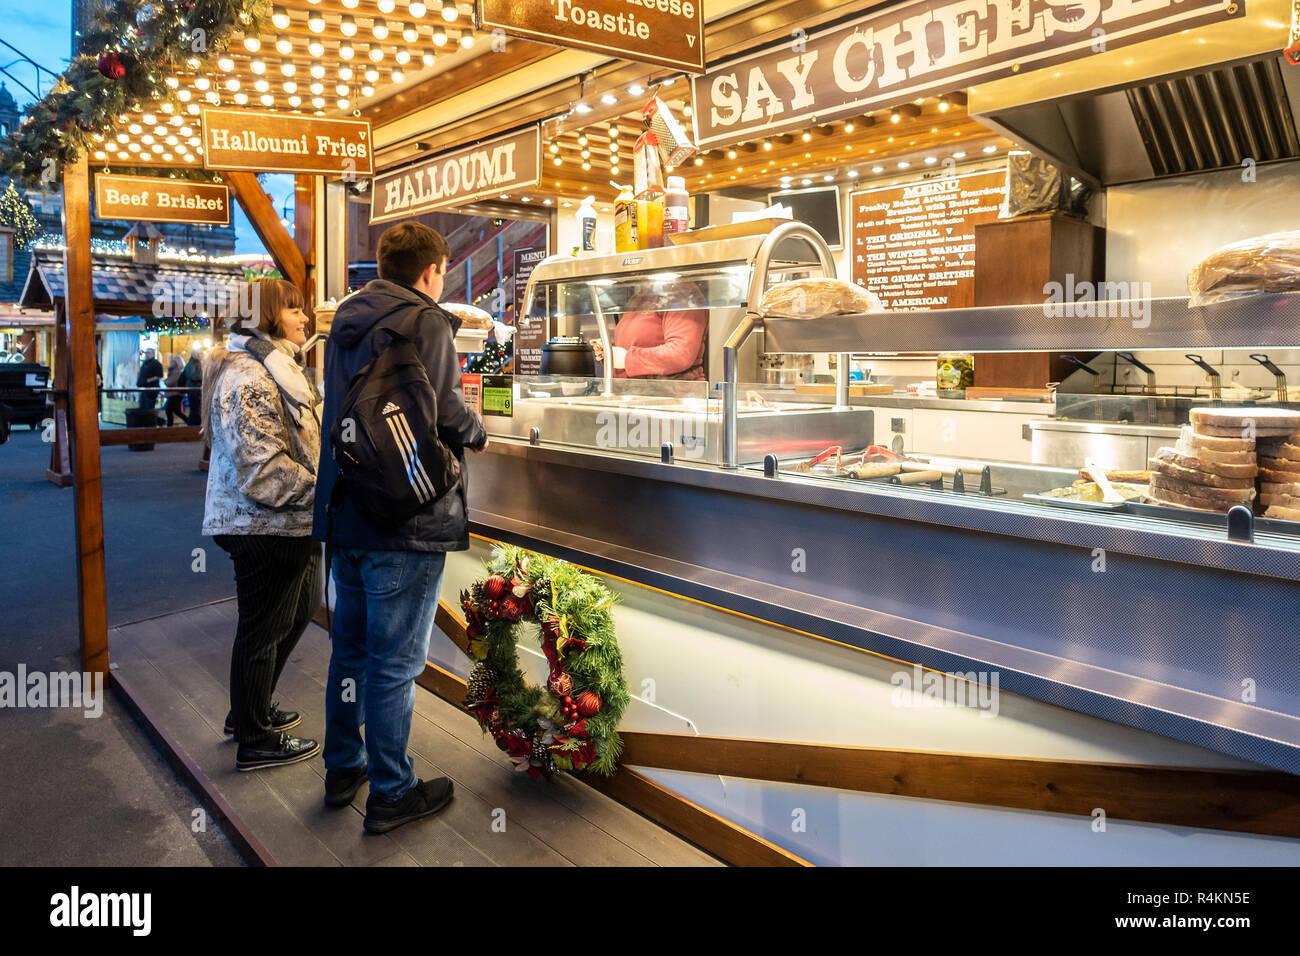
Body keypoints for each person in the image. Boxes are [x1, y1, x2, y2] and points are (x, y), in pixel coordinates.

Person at [314, 221, 487, 833]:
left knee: (352, 652)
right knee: (395, 664)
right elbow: (445, 410)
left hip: (348, 511)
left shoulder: (345, 321)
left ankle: (343, 766)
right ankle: (391, 791)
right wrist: (479, 431)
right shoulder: (426, 321)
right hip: (406, 518)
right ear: (432, 269)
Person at [202, 278, 323, 772]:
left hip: (288, 521)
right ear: (268, 315)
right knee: (263, 629)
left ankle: (252, 711)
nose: (305, 319)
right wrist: (331, 490)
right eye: (294, 309)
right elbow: (264, 470)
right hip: (261, 524)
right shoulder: (250, 376)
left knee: (297, 611)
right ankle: (253, 737)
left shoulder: (274, 367)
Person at [591, 279, 709, 380]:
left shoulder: (682, 293)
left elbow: (680, 354)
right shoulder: (640, 296)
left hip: (672, 396)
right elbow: (641, 342)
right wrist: (609, 350)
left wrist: (627, 359)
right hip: (636, 394)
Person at [181, 346, 203, 425]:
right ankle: (193, 425)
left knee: (196, 408)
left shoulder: (196, 363)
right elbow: (191, 375)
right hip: (194, 389)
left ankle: (194, 424)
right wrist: (203, 377)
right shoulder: (192, 363)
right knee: (195, 409)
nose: (202, 355)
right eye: (200, 354)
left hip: (196, 389)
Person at [162, 354, 186, 426]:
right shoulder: (176, 371)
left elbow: (170, 382)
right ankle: (188, 421)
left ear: (176, 363)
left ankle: (170, 425)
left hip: (175, 393)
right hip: (175, 393)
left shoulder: (176, 371)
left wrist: (165, 381)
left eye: (172, 361)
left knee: (168, 409)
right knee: (177, 411)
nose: (170, 362)